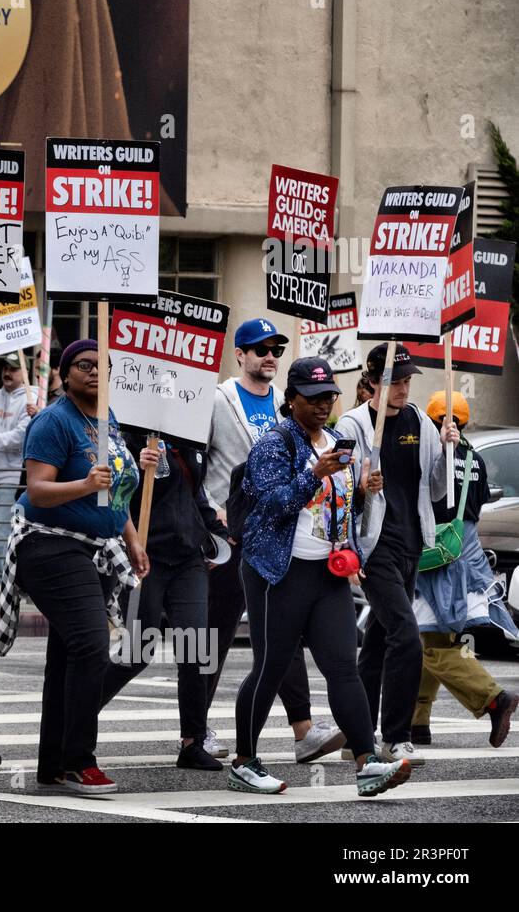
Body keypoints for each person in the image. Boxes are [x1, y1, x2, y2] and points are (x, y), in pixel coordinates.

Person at [229, 357, 413, 797]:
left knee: (343, 668)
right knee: (271, 667)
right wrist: (314, 474)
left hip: (327, 572)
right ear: (290, 399)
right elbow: (272, 505)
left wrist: (361, 508)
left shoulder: (338, 441)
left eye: (328, 397)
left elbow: (340, 510)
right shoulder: (275, 445)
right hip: (278, 571)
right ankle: (244, 761)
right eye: (311, 398)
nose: (321, 405)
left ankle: (367, 762)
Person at [0, 339, 152, 794]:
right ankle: (79, 759)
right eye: (84, 365)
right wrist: (84, 482)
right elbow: (38, 490)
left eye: (102, 365)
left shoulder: (108, 420)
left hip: (95, 548)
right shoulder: (52, 421)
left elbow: (115, 493)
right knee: (90, 643)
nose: (95, 372)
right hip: (48, 546)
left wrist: (133, 541)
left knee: (67, 654)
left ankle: (54, 763)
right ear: (64, 374)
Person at [202, 318, 340, 764]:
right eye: (258, 348)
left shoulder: (289, 407)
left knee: (280, 633)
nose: (269, 356)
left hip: (282, 536)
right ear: (239, 354)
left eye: (276, 349)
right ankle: (196, 724)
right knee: (215, 632)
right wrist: (210, 514)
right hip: (232, 534)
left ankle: (303, 729)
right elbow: (197, 462)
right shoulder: (219, 400)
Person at [335, 343, 455, 765]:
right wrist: (361, 490)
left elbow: (437, 491)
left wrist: (446, 449)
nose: (403, 389)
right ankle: (396, 735)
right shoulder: (351, 425)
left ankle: (357, 732)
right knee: (407, 636)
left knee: (381, 639)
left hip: (411, 543)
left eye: (407, 381)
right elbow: (334, 491)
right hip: (372, 546)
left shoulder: (419, 421)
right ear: (372, 382)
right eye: (395, 381)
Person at [103, 431, 225, 770]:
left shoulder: (188, 440)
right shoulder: (125, 439)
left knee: (197, 649)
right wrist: (140, 472)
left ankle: (193, 742)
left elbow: (195, 494)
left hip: (188, 558)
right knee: (137, 653)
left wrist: (216, 532)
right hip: (146, 555)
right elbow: (114, 499)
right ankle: (78, 716)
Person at [412, 391, 518, 747]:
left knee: (429, 645)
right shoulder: (475, 457)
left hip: (436, 556)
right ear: (465, 421)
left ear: (431, 419)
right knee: (434, 638)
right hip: (465, 554)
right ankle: (418, 722)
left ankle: (493, 697)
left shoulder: (434, 454)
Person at [0, 353, 37, 580]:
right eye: (5, 367)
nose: (7, 372)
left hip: (12, 475)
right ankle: (5, 576)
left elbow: (18, 437)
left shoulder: (31, 399)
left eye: (14, 369)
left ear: (23, 374)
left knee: (3, 530)